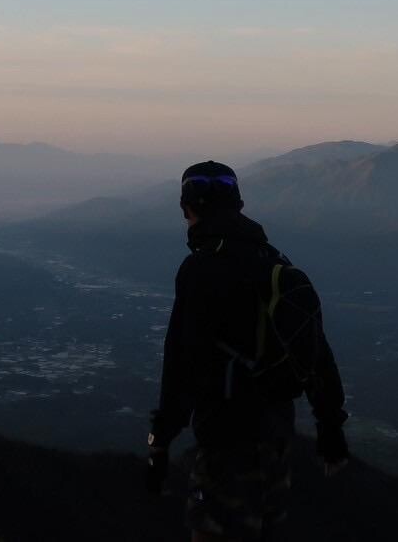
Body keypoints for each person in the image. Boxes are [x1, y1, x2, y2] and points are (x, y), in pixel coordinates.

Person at [144, 161, 350, 541]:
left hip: (226, 440)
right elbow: (316, 349)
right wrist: (330, 427)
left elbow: (180, 362)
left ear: (186, 209)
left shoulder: (200, 269)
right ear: (239, 205)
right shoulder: (272, 261)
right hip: (277, 438)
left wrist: (160, 442)